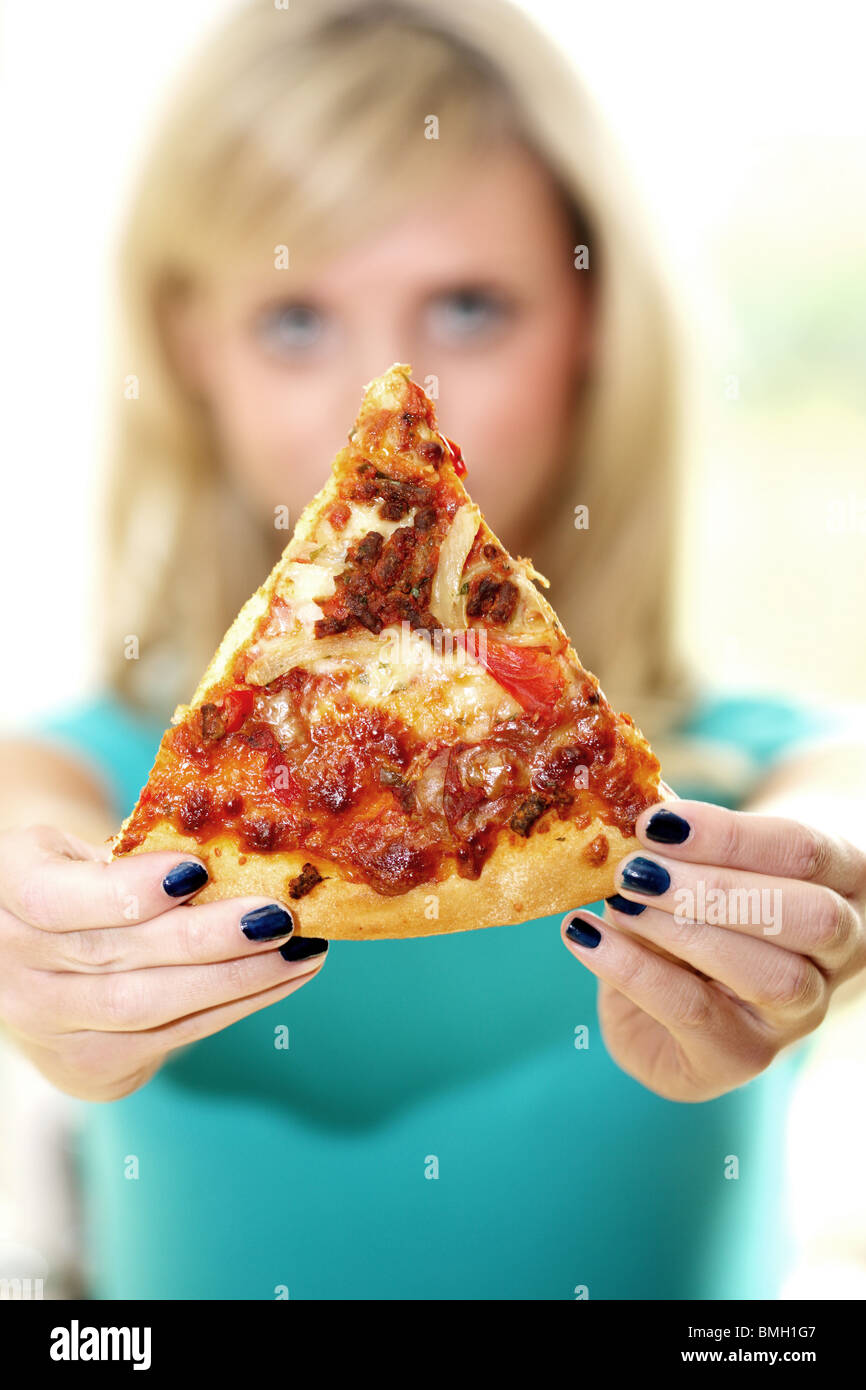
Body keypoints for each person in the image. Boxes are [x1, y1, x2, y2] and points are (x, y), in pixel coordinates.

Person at [1, 0, 864, 1299]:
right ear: (194, 358)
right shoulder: (106, 786)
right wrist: (41, 942)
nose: (385, 384)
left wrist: (812, 912)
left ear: (591, 327)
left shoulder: (736, 776)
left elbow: (838, 810)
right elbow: (21, 830)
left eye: (468, 305)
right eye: (294, 318)